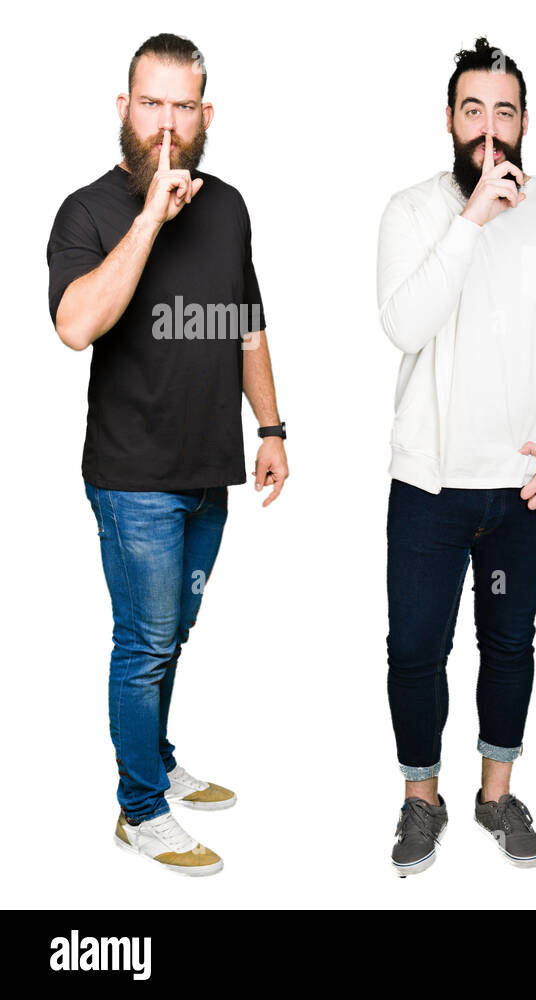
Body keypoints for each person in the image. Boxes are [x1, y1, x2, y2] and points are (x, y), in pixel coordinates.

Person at [378, 37, 536, 876]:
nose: (490, 127)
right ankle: (422, 800)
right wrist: (472, 217)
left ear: (526, 123)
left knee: (509, 642)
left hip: (525, 491)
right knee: (414, 646)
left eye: (506, 111)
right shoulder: (414, 213)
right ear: (450, 120)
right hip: (430, 484)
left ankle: (496, 794)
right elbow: (405, 325)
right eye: (473, 109)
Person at [47, 33, 288, 877]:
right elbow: (76, 326)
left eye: (183, 105)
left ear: (205, 114)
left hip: (207, 475)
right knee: (144, 643)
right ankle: (139, 808)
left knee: (173, 635)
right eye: (151, 103)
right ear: (125, 109)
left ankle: (156, 757)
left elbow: (246, 324)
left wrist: (271, 428)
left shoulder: (228, 206)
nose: (166, 123)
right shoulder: (89, 211)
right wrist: (150, 213)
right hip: (132, 482)